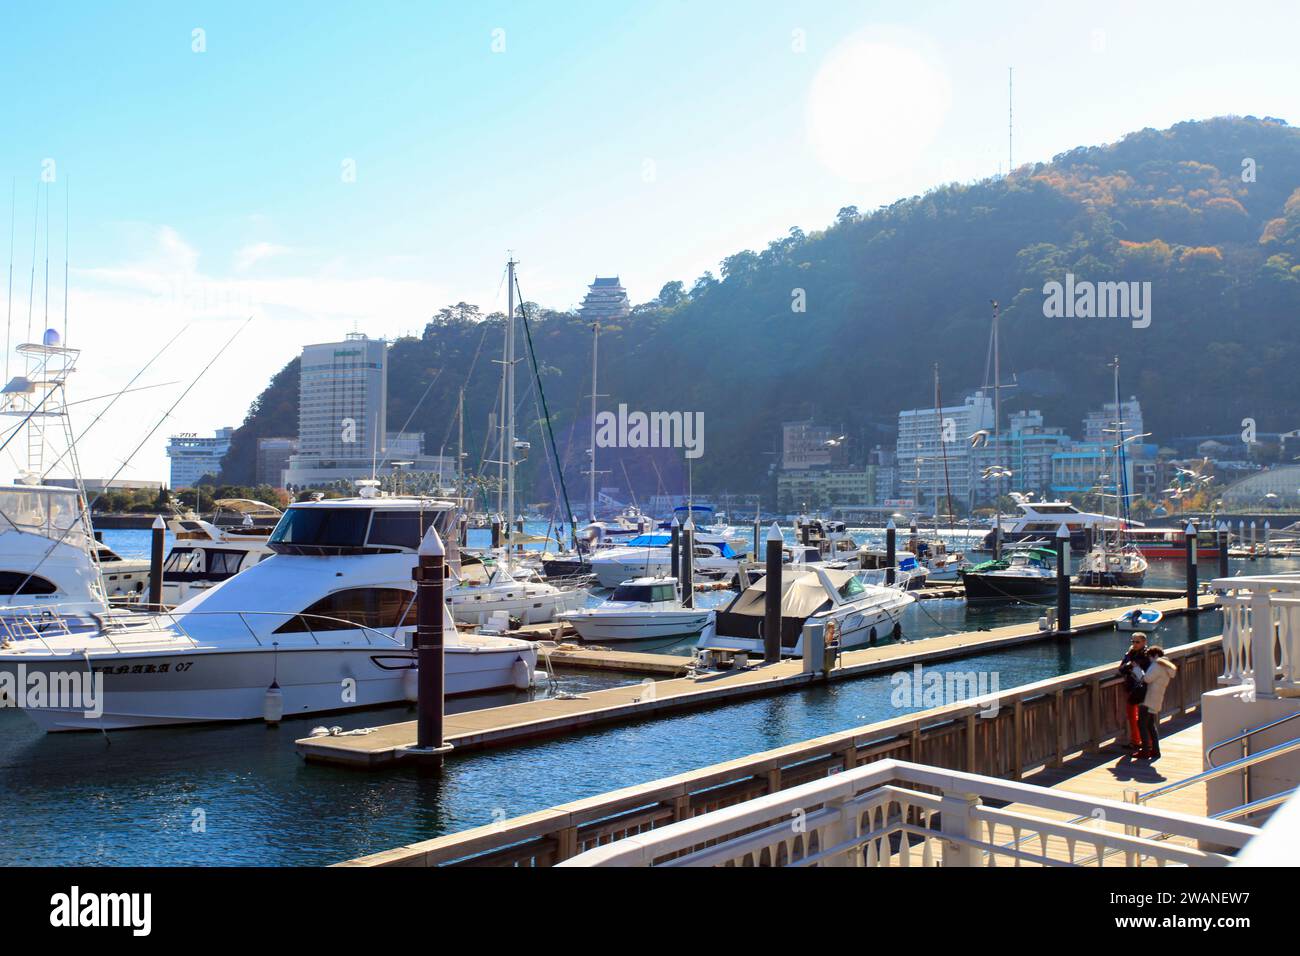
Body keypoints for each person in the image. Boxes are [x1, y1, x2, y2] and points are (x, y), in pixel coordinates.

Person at [1136, 647, 1177, 760]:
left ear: (1154, 656)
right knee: (1150, 725)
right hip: (1157, 698)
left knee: (1141, 724)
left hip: (1149, 698)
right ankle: (1155, 751)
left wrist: (1137, 670)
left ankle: (1145, 751)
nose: (1149, 659)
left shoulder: (1157, 665)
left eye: (1149, 657)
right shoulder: (1166, 665)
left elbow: (1147, 679)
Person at [1118, 634, 1151, 749]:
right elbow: (1121, 669)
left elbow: (1149, 671)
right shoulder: (1129, 654)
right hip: (1131, 688)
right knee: (1131, 716)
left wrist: (1135, 667)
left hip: (1144, 689)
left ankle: (1148, 743)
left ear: (1144, 642)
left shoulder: (1148, 655)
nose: (1134, 644)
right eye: (1133, 641)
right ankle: (1135, 741)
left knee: (1144, 718)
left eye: (1137, 642)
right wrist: (1129, 666)